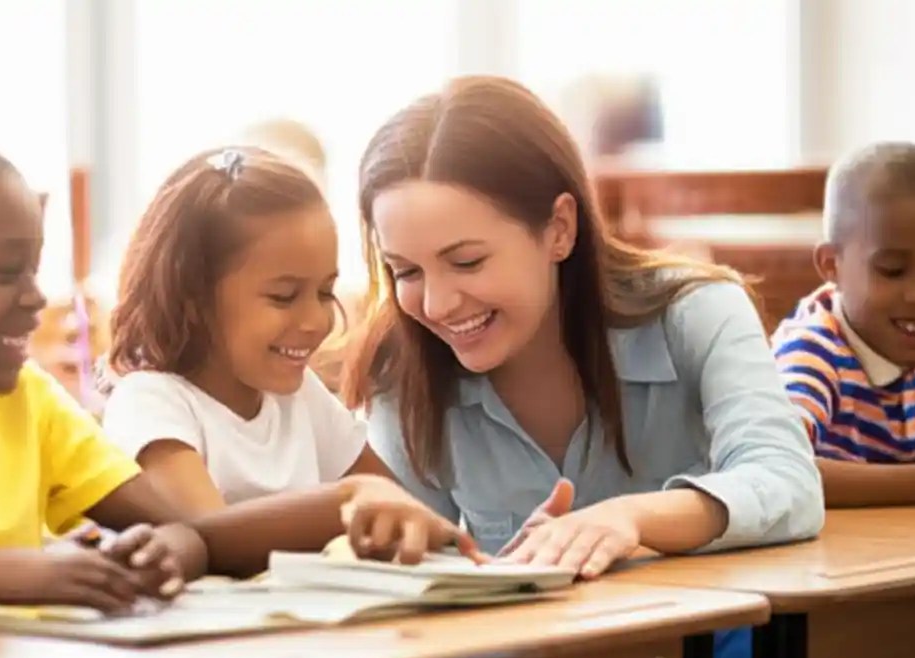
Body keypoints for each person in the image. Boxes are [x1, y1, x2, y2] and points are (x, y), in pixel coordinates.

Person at [0, 134, 473, 629]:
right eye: (5, 273)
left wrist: (167, 552)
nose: (35, 297)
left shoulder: (29, 402)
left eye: (34, 270)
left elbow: (188, 531)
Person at [343, 75, 824, 575]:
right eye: (406, 271)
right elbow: (409, 573)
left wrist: (631, 518)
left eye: (466, 262)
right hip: (530, 647)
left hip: (701, 644)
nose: (438, 305)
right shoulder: (402, 366)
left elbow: (789, 482)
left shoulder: (698, 313)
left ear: (559, 229)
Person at [101, 147, 380, 509]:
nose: (316, 321)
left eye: (325, 292)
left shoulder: (299, 397)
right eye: (284, 296)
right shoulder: (151, 402)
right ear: (193, 298)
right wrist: (344, 504)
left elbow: (393, 504)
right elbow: (208, 533)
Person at [773, 141, 915, 505]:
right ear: (831, 265)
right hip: (828, 557)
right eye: (892, 270)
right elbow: (780, 468)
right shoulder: (810, 352)